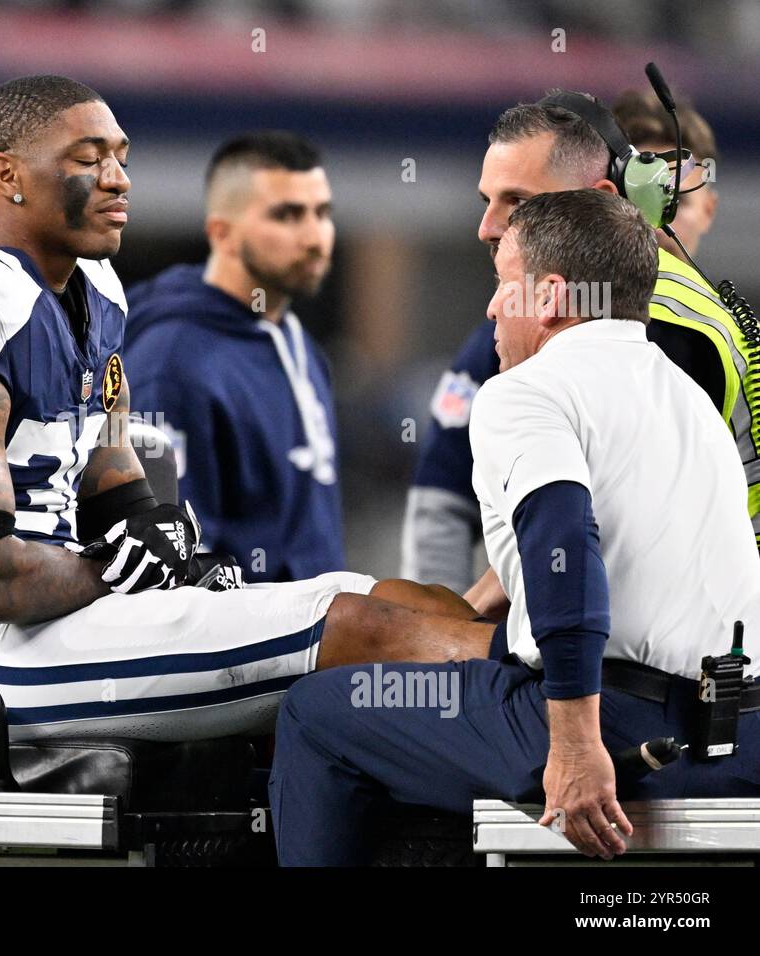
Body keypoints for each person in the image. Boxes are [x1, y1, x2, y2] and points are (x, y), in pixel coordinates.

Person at [0, 75, 480, 745]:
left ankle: (525, 686)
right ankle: (538, 722)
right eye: (89, 160)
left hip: (57, 614)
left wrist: (164, 542)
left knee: (391, 599)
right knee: (357, 630)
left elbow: (114, 480)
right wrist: (119, 570)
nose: (118, 180)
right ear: (8, 177)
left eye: (121, 158)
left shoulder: (95, 290)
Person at [270, 190, 760, 866]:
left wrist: (576, 745)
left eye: (504, 284)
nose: (492, 307)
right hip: (734, 741)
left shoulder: (526, 390)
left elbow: (564, 548)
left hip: (614, 734)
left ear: (550, 296)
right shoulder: (690, 400)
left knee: (316, 714)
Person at [402, 90, 747, 593]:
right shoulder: (567, 311)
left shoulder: (652, 324)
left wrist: (447, 625)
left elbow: (597, 532)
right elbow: (444, 498)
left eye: (519, 202)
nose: (487, 228)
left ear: (602, 197)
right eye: (487, 201)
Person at [125, 132, 344, 583]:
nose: (313, 236)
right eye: (287, 215)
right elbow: (173, 552)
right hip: (235, 625)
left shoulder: (301, 346)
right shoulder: (169, 360)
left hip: (317, 619)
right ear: (221, 233)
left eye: (322, 213)